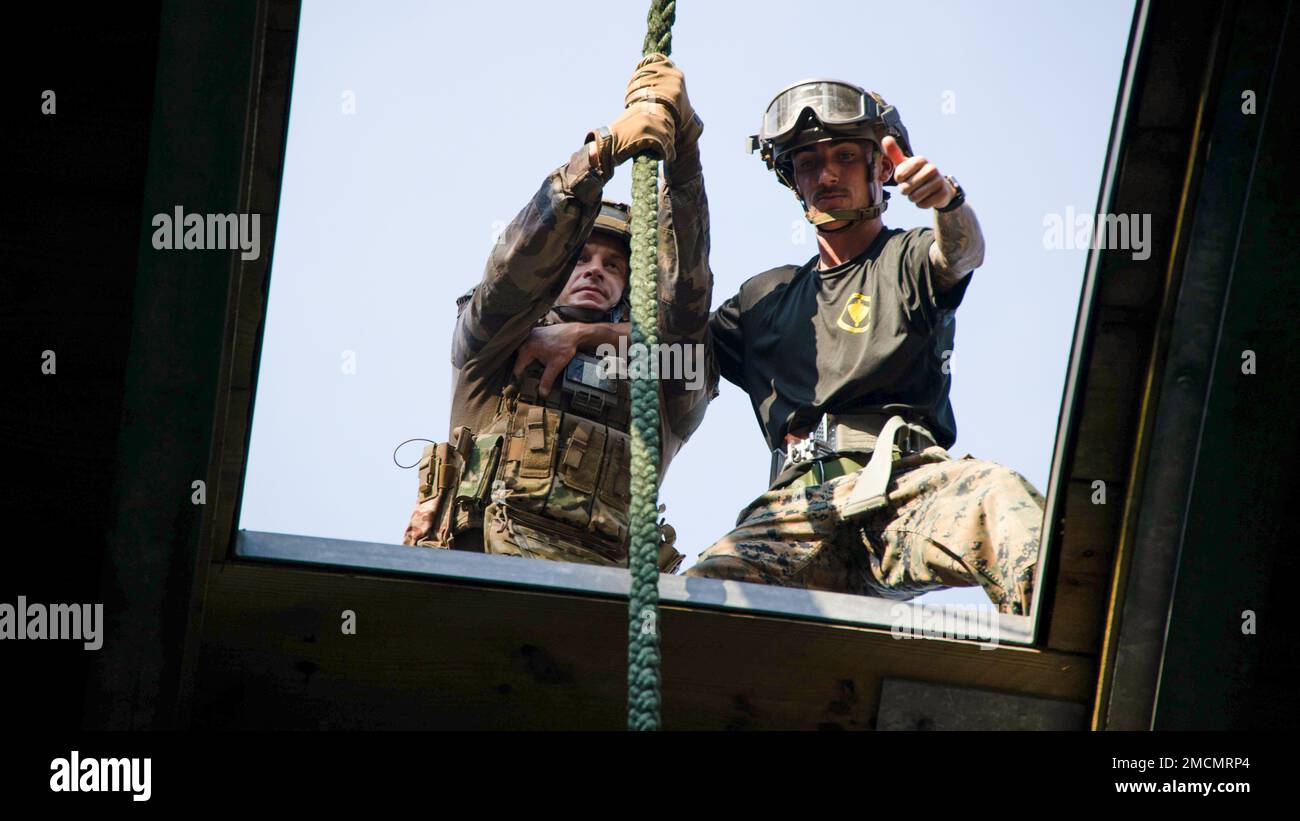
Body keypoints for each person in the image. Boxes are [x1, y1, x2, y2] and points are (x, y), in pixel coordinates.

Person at [683, 79, 1043, 615]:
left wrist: (947, 201)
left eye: (847, 157)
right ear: (791, 179)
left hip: (905, 488)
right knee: (692, 604)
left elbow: (962, 254)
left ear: (883, 170)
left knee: (1001, 500)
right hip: (792, 511)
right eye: (808, 163)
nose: (827, 175)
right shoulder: (765, 298)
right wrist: (581, 330)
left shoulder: (909, 257)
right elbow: (673, 348)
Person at [402, 55, 714, 574]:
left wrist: (685, 157)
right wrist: (597, 158)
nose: (595, 271)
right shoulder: (494, 347)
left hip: (606, 591)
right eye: (581, 259)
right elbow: (513, 272)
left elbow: (686, 314)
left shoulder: (660, 385)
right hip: (477, 571)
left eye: (614, 265)